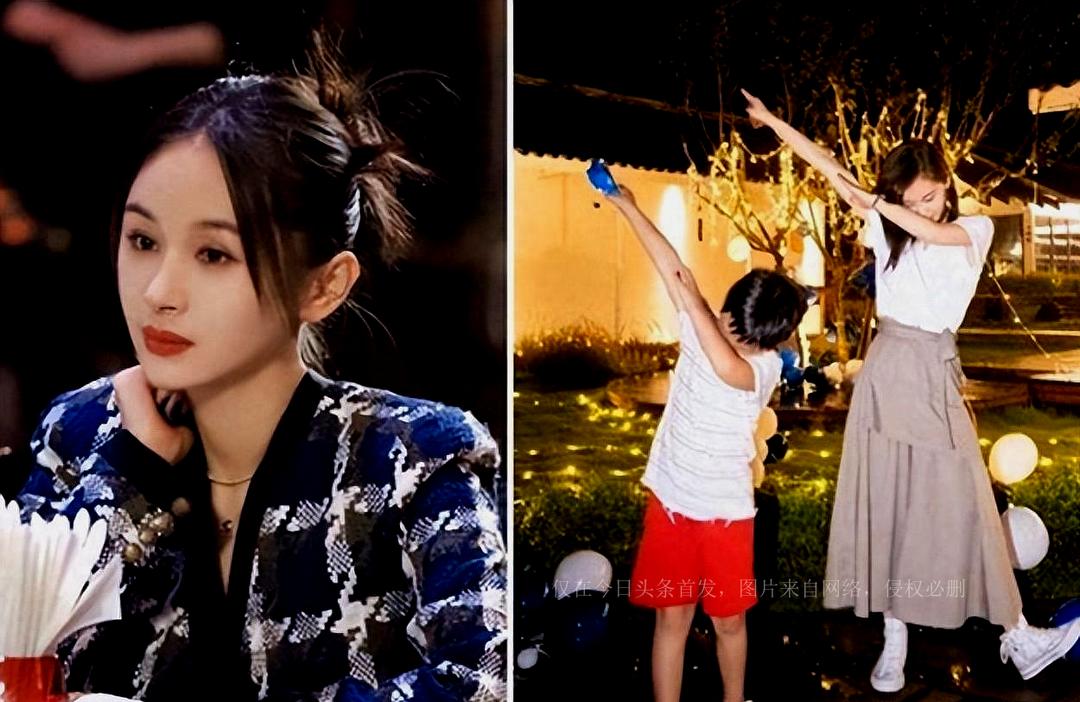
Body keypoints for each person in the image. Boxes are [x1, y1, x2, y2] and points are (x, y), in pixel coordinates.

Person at [14, 37, 506, 702]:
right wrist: (132, 474)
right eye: (143, 240)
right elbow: (27, 657)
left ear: (325, 286)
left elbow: (479, 683)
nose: (160, 288)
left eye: (214, 254)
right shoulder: (81, 433)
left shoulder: (412, 456)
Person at [741, 88, 1080, 692]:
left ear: (947, 185)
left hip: (933, 372)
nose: (928, 203)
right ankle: (894, 636)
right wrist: (773, 123)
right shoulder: (887, 230)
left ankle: (1018, 634)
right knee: (890, 503)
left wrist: (884, 204)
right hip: (888, 368)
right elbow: (832, 169)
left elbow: (934, 232)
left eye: (933, 192)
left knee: (968, 503)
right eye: (913, 197)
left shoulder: (971, 228)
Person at [602, 184, 808, 702]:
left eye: (741, 331)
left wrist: (693, 304)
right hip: (672, 503)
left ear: (767, 343)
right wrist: (629, 204)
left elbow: (725, 364)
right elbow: (671, 266)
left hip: (725, 518)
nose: (727, 329)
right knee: (671, 619)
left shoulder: (758, 369)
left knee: (730, 623)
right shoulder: (707, 322)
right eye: (727, 318)